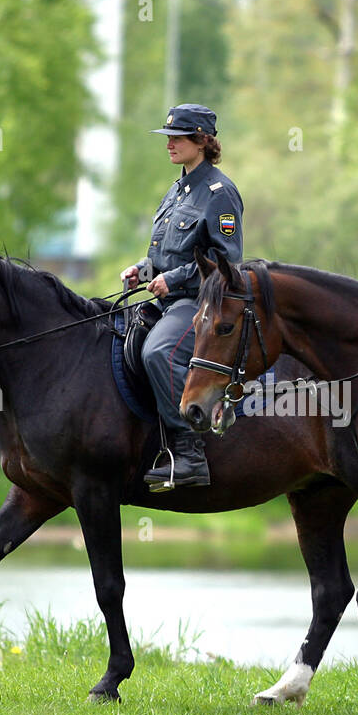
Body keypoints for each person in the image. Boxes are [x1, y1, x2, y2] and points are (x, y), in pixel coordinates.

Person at [121, 103, 244, 491]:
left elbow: (227, 261)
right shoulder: (177, 190)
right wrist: (142, 270)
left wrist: (172, 281)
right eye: (168, 138)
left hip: (197, 304)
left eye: (178, 137)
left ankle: (189, 452)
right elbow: (164, 253)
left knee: (158, 352)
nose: (169, 144)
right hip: (165, 299)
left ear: (202, 141)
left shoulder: (219, 193)